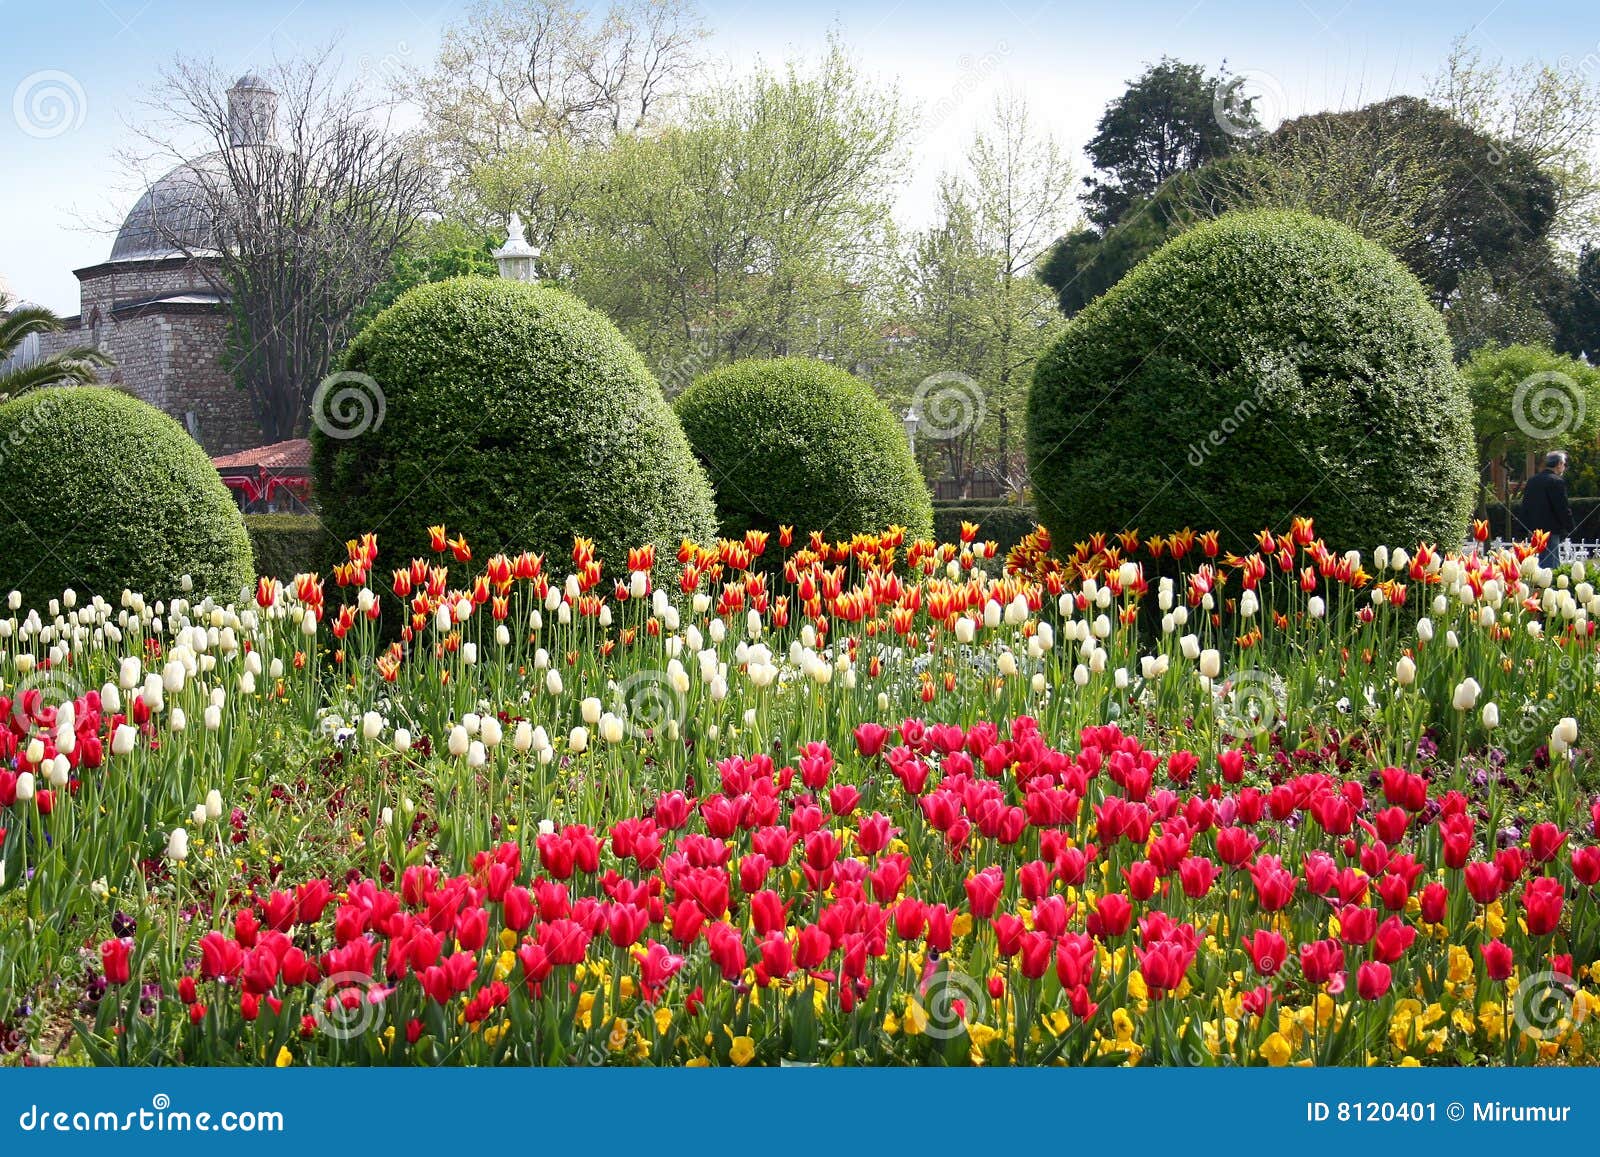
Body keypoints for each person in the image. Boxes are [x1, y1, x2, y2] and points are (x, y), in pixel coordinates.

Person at [1519, 450, 1575, 569]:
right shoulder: (1556, 481)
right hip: (1552, 529)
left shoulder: (1533, 480)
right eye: (1564, 464)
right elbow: (1562, 507)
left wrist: (1526, 527)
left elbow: (1525, 506)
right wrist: (1570, 526)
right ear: (1559, 463)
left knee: (1539, 562)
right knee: (1551, 564)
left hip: (1535, 530)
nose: (1564, 467)